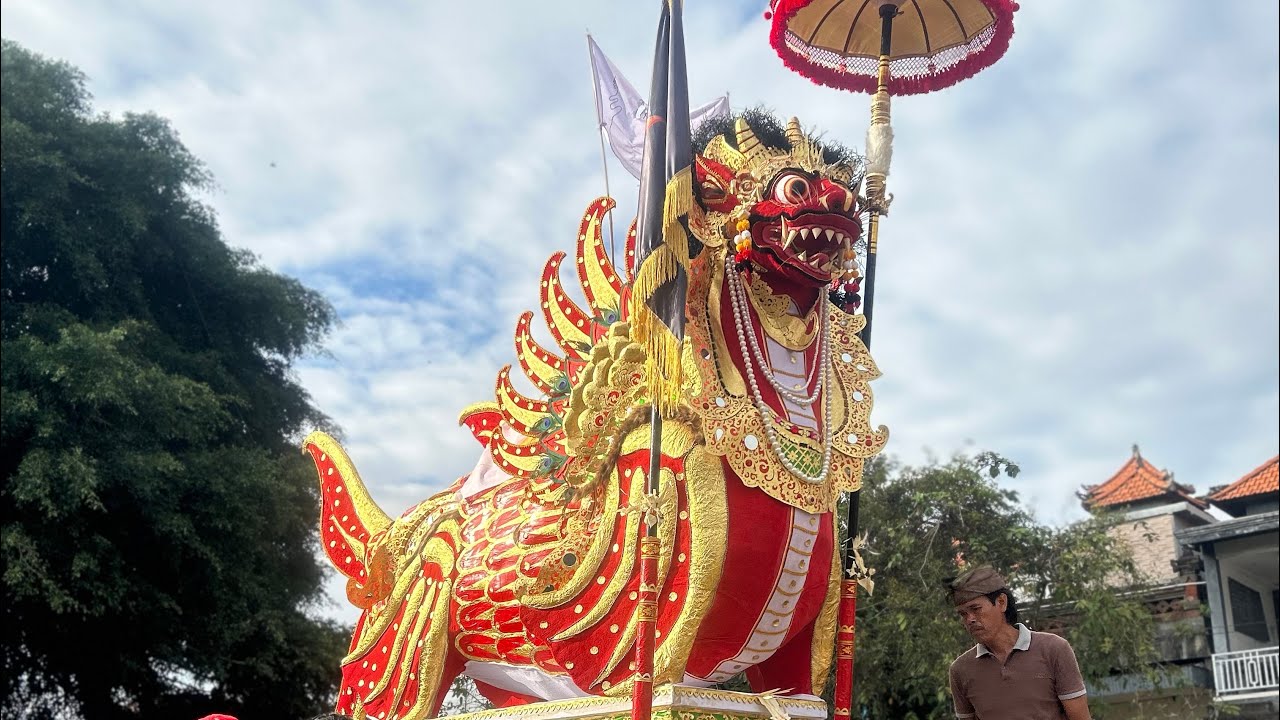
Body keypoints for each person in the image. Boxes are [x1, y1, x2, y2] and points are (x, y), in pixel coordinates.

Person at [946, 566, 1091, 720]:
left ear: (1001, 602)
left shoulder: (1053, 649)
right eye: (963, 614)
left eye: (976, 609)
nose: (970, 619)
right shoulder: (961, 670)